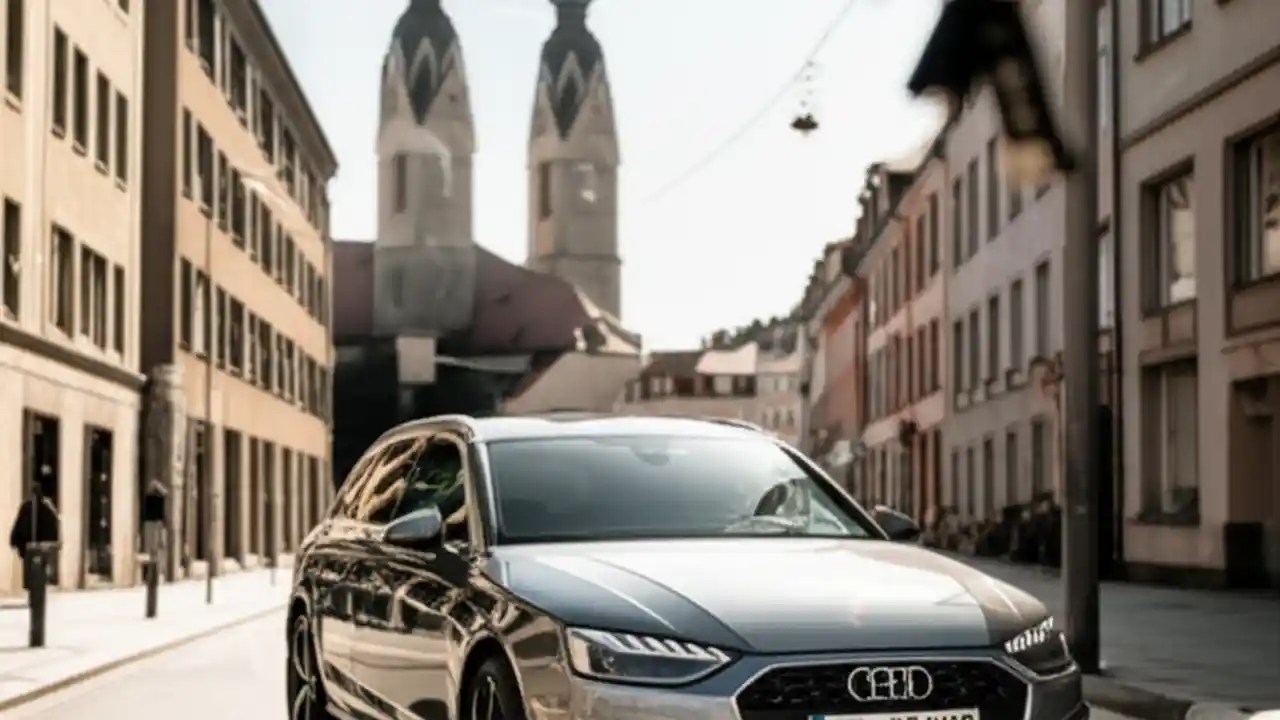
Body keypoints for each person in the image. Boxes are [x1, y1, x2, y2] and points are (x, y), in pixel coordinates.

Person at [8, 483, 61, 590]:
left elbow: (20, 524)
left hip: (32, 547)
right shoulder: (45, 506)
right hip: (40, 546)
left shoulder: (29, 506)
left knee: (33, 572)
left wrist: (15, 541)